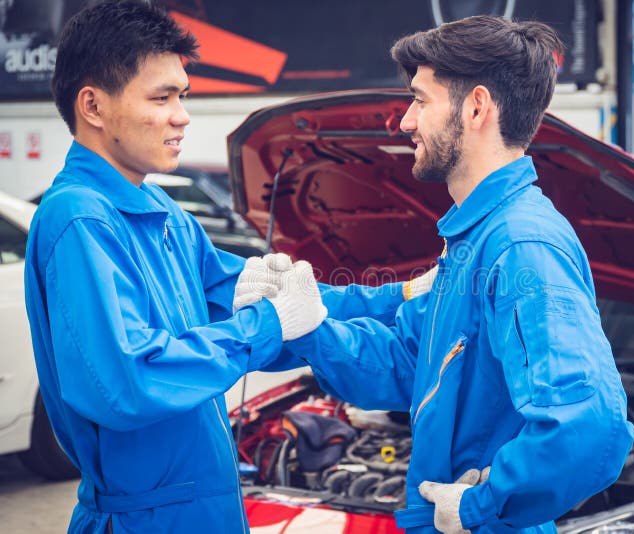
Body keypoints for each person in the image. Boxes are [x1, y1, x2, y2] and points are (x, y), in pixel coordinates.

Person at [24, 2, 429, 533]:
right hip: (144, 519)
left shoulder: (164, 216)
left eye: (182, 96)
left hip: (206, 507)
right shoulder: (79, 220)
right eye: (161, 97)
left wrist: (396, 296)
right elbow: (129, 381)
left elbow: (281, 300)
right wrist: (266, 325)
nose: (182, 115)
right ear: (93, 106)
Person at [254, 16, 634, 534]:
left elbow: (589, 427)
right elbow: (405, 363)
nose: (405, 122)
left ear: (476, 106)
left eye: (420, 100)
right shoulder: (475, 242)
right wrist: (308, 327)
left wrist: (482, 506)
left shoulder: (522, 246)